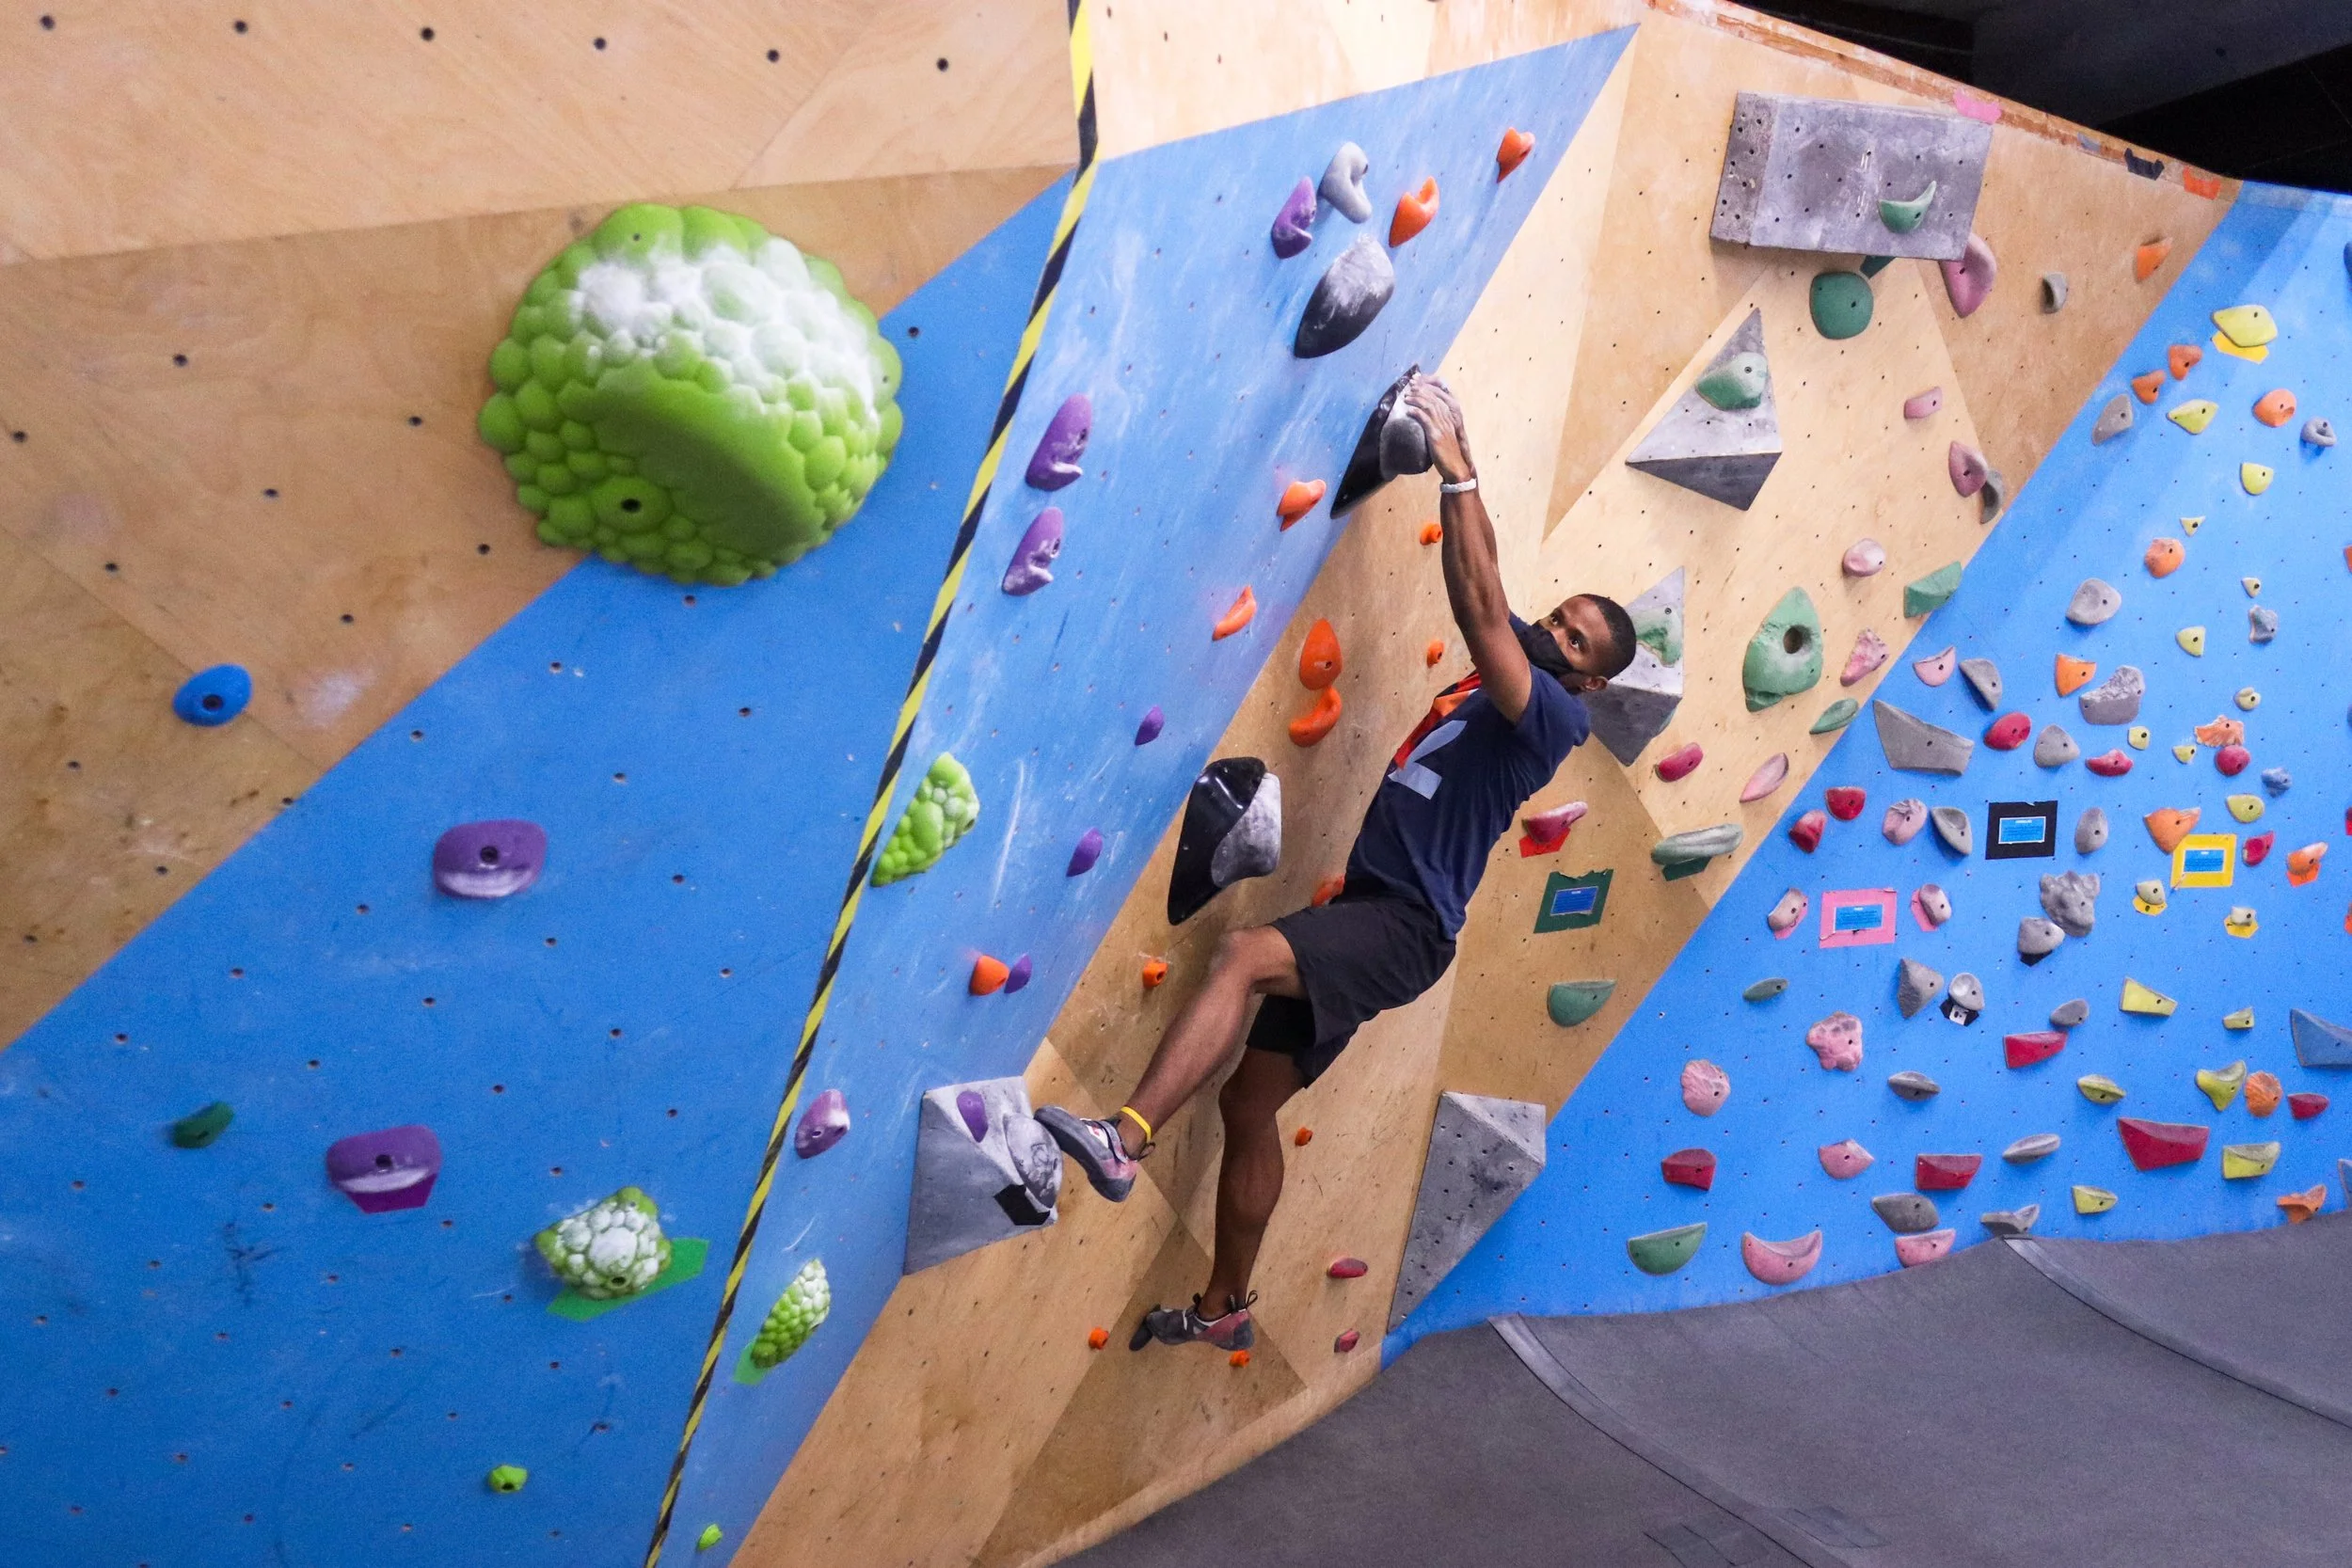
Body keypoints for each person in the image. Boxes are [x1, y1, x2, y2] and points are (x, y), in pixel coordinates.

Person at [1036, 377, 1639, 1352]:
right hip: (1373, 907)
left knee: (1242, 955)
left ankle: (1125, 1138)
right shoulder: (1520, 669)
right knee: (1249, 1100)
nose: (1553, 634)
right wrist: (1454, 467)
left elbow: (1482, 607)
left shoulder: (1552, 715)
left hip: (1403, 927)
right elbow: (1490, 583)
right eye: (1559, 617)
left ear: (1592, 680)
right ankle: (1226, 1306)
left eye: (1574, 639)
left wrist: (1456, 469)